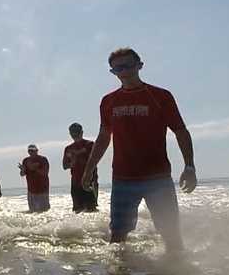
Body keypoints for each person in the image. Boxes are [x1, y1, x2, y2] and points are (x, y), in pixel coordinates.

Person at [80, 48, 196, 254]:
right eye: (118, 67)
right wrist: (89, 169)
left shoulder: (160, 96)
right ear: (113, 71)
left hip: (158, 178)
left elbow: (180, 131)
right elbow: (104, 137)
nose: (124, 71)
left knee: (171, 234)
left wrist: (189, 166)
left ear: (140, 65)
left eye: (128, 65)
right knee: (117, 236)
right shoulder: (108, 101)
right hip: (123, 179)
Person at [63, 123, 98, 212]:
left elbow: (95, 160)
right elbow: (64, 166)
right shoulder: (68, 148)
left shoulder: (89, 144)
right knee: (77, 211)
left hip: (89, 181)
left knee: (91, 210)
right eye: (72, 132)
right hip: (75, 182)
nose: (74, 134)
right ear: (70, 134)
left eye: (76, 132)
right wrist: (72, 163)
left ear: (81, 132)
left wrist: (77, 154)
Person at [19, 144, 51, 212]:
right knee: (32, 211)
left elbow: (45, 173)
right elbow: (22, 174)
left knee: (45, 210)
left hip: (43, 189)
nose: (31, 152)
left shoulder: (43, 159)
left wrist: (34, 168)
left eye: (32, 150)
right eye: (29, 151)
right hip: (31, 190)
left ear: (37, 150)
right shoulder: (25, 160)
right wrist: (22, 169)